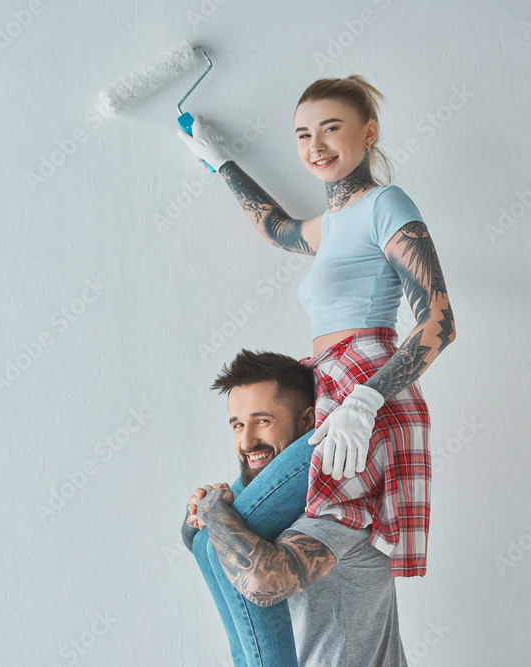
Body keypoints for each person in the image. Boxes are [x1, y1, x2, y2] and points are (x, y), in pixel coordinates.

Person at [177, 75, 457, 664]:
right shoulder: (330, 226)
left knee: (228, 537)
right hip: (332, 391)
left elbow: (438, 320)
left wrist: (366, 400)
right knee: (209, 541)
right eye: (303, 134)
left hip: (368, 394)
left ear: (368, 132)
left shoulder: (386, 203)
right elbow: (277, 227)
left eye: (331, 128)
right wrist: (221, 163)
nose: (316, 145)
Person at [181, 349, 408, 666]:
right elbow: (202, 544)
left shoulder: (339, 507)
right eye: (237, 425)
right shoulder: (260, 504)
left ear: (307, 422)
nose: (247, 442)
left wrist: (213, 513)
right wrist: (198, 512)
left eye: (263, 421)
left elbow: (263, 581)